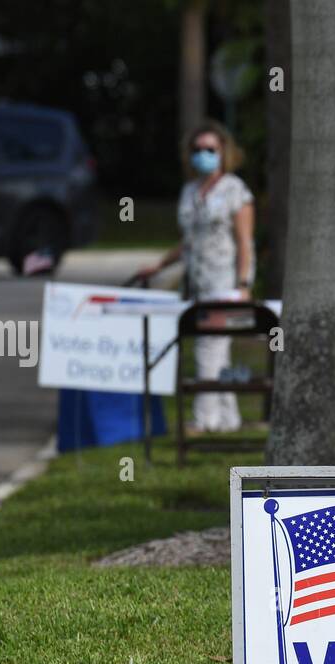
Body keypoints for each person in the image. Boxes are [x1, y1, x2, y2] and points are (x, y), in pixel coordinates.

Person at [136, 120, 255, 433]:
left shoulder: (236, 191)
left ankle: (203, 419)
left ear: (223, 152)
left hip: (224, 283)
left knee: (208, 347)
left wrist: (243, 284)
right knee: (219, 351)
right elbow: (189, 242)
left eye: (210, 149)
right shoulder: (189, 191)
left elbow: (244, 242)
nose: (203, 154)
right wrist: (161, 265)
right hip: (197, 282)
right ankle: (229, 420)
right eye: (197, 149)